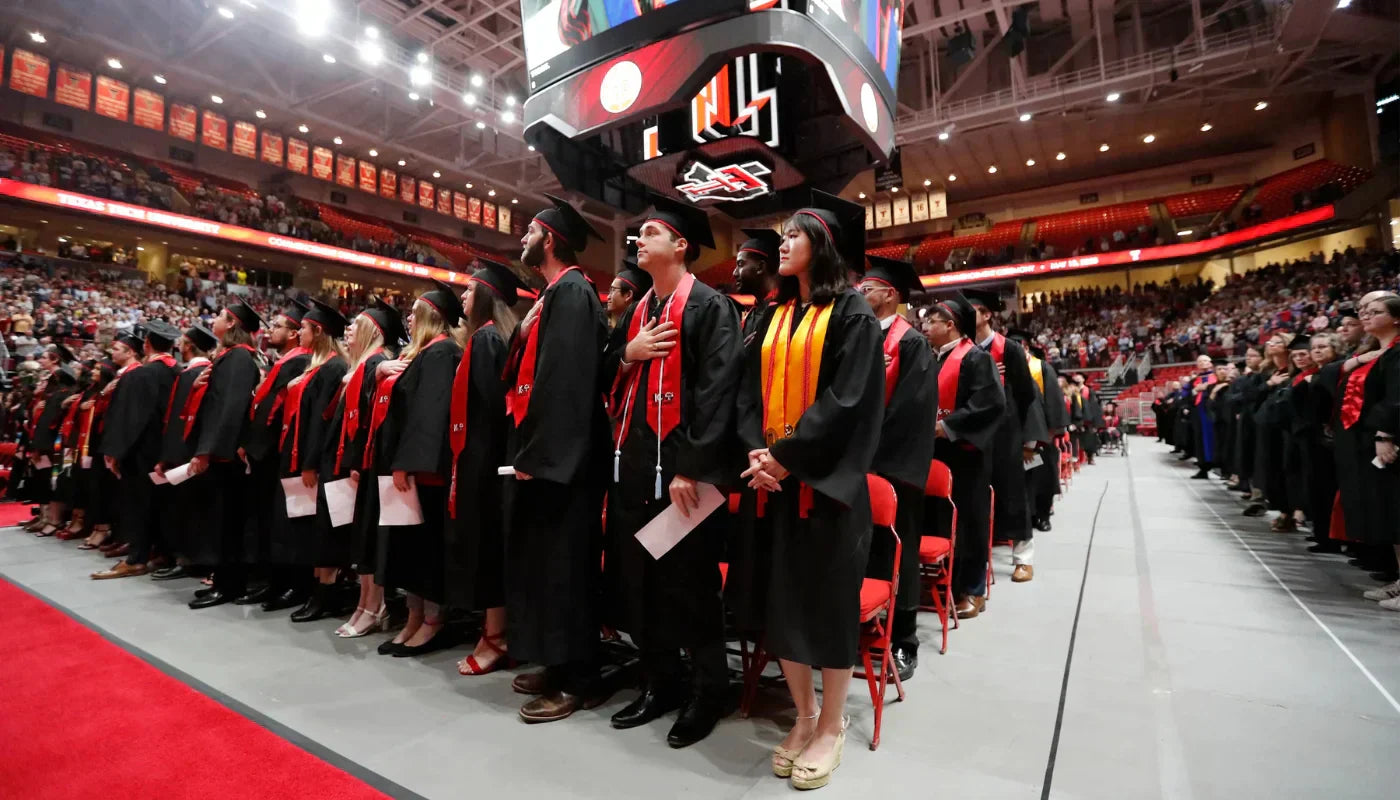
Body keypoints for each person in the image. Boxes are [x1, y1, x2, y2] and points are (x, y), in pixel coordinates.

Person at [735, 190, 883, 790]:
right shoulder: (770, 316)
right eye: (783, 235)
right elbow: (746, 396)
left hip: (826, 489)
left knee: (825, 610)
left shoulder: (853, 315)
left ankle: (831, 725)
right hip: (773, 483)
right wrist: (758, 453)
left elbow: (847, 402)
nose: (784, 243)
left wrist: (787, 457)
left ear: (821, 245)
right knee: (783, 607)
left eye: (795, 234)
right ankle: (801, 718)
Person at [603, 196, 742, 747]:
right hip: (635, 469)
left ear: (681, 245)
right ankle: (661, 680)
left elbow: (718, 394)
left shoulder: (710, 307)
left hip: (685, 478)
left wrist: (691, 466)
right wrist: (628, 354)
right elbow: (608, 372)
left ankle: (710, 690)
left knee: (689, 587)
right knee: (640, 584)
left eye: (650, 232)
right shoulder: (639, 312)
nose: (637, 240)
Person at [503, 194, 612, 723]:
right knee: (548, 569)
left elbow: (565, 385)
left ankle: (580, 678)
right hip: (551, 459)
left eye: (529, 230)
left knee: (567, 571)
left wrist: (541, 456)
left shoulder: (571, 293)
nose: (521, 238)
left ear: (549, 239)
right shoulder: (555, 296)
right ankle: (558, 661)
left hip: (564, 465)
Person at [374, 280, 463, 656]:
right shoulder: (423, 353)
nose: (409, 316)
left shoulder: (442, 353)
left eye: (415, 311)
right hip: (412, 469)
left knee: (425, 551)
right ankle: (413, 617)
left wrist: (408, 463)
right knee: (410, 550)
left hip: (427, 472)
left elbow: (430, 414)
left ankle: (431, 621)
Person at [859, 256, 934, 680]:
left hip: (895, 468)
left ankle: (904, 640)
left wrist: (871, 452)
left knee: (898, 552)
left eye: (867, 288)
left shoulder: (910, 343)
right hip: (861, 466)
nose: (860, 294)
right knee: (866, 550)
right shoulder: (862, 336)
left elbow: (911, 412)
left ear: (889, 294)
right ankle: (867, 629)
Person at [446, 260, 519, 673]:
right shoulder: (483, 339)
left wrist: (481, 465)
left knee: (489, 550)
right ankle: (492, 632)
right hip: (477, 460)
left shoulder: (489, 341)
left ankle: (495, 636)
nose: (463, 298)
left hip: (485, 463)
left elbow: (492, 411)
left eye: (470, 292)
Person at [922, 295, 1005, 620]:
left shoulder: (975, 359)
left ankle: (972, 589)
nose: (925, 327)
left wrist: (946, 426)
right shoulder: (932, 358)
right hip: (936, 452)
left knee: (970, 522)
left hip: (966, 454)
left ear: (950, 325)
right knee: (941, 519)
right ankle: (945, 582)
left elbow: (990, 404)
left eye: (931, 321)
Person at [328, 299, 404, 638]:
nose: (348, 330)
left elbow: (374, 422)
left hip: (373, 465)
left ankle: (373, 605)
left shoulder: (376, 363)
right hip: (362, 464)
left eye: (355, 324)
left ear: (372, 330)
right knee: (362, 541)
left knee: (370, 542)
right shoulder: (363, 366)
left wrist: (357, 462)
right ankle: (366, 603)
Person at [963, 289, 1048, 583]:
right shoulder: (963, 348)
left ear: (987, 314)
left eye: (971, 310)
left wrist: (1022, 435)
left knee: (1014, 494)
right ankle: (978, 560)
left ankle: (1023, 559)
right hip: (974, 434)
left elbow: (1026, 394)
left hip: (1005, 432)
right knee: (976, 499)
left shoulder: (1008, 348)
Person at [186, 300, 265, 609]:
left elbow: (228, 411)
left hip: (227, 454)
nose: (214, 320)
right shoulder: (231, 357)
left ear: (231, 323)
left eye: (219, 316)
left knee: (228, 522)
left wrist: (207, 450)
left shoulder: (238, 359)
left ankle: (229, 585)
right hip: (224, 451)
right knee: (222, 522)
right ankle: (223, 581)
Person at [238, 300, 312, 611]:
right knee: (268, 523)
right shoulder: (282, 362)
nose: (271, 329)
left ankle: (287, 585)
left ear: (296, 334)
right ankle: (271, 581)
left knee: (286, 525)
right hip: (264, 455)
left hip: (277, 454)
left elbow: (279, 411)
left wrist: (257, 448)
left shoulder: (299, 362)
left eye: (279, 326)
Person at [91, 321, 179, 579]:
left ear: (147, 344)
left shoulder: (139, 375)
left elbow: (128, 419)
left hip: (140, 453)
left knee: (138, 506)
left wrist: (114, 452)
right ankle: (161, 553)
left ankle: (137, 558)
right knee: (162, 506)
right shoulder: (178, 372)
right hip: (167, 453)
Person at [283, 300, 350, 623]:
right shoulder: (318, 365)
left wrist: (309, 462)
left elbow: (321, 423)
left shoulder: (334, 368)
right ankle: (317, 592)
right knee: (313, 531)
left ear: (318, 331)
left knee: (325, 533)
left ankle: (326, 596)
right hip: (311, 460)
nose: (299, 334)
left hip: (323, 462)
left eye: (305, 329)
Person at [1342, 294, 1400, 604]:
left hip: (1390, 438)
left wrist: (1384, 434)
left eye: (1376, 311)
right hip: (1374, 438)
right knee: (1392, 513)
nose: (1366, 315)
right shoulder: (1381, 352)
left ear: (1396, 318)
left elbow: (1395, 397)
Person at [150, 324, 216, 581]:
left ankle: (185, 559)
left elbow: (178, 422)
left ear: (188, 346)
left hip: (186, 454)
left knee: (187, 511)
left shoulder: (193, 375)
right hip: (197, 453)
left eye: (182, 342)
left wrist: (167, 457)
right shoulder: (194, 373)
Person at [1014, 332, 1066, 533]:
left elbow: (1054, 403)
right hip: (1017, 436)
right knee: (1024, 481)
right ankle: (1027, 516)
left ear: (1026, 347)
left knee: (1042, 479)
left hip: (1042, 436)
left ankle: (1043, 516)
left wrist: (1049, 435)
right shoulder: (1008, 369)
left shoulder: (1041, 368)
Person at [732, 228, 782, 342]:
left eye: (740, 264)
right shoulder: (753, 313)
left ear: (760, 267)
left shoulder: (783, 311)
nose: (734, 273)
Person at [1185, 354, 1218, 479]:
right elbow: (1187, 396)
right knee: (1199, 439)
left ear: (1210, 363)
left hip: (1212, 412)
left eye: (1205, 361)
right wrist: (1195, 391)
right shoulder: (1194, 381)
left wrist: (1207, 388)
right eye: (1200, 361)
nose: (1203, 363)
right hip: (1198, 413)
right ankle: (1203, 468)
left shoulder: (1216, 377)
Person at [605, 256, 650, 330]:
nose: (608, 297)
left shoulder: (640, 328)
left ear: (628, 295)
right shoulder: (618, 324)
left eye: (613, 290)